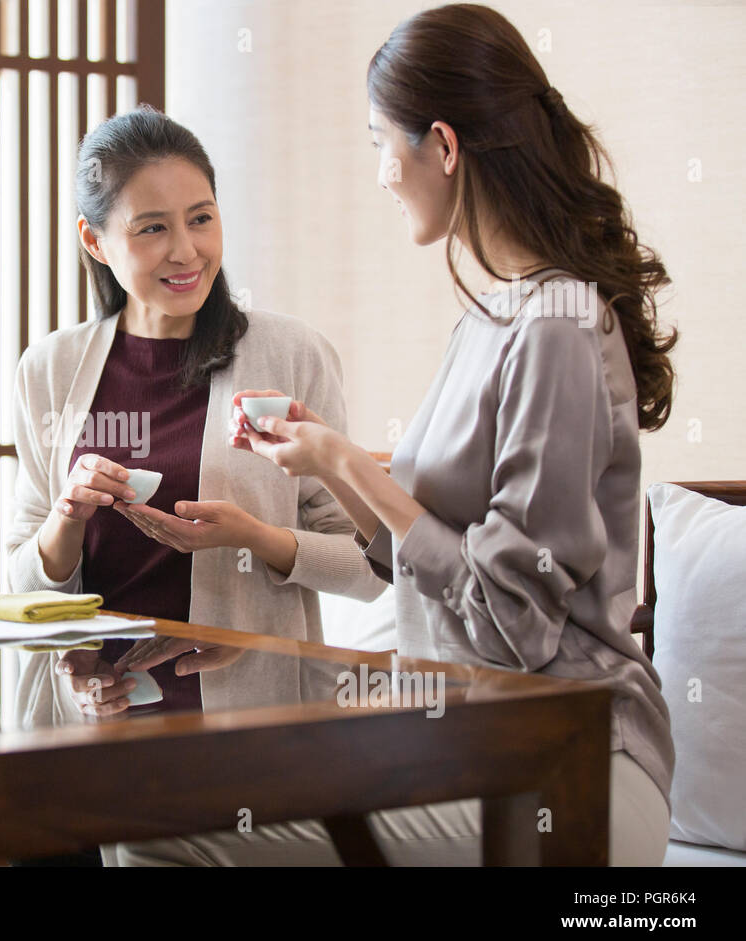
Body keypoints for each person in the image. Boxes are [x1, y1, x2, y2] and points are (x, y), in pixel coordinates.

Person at [111, 3, 678, 866]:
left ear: (443, 147)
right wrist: (324, 460)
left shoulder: (557, 324)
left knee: (166, 837)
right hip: (464, 732)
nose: (381, 172)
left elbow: (511, 623)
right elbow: (416, 557)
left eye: (384, 141)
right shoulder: (494, 316)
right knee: (145, 810)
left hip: (570, 763)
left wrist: (345, 460)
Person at [7, 106, 385, 734]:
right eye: (152, 228)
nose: (186, 251)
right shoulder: (50, 368)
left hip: (246, 728)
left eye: (201, 219)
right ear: (95, 241)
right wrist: (67, 514)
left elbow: (369, 566)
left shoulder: (293, 355)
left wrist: (254, 537)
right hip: (90, 724)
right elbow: (24, 586)